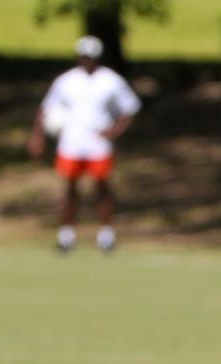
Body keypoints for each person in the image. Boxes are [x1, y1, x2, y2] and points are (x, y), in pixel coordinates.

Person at [27, 35, 140, 254]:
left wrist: (114, 131)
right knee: (70, 189)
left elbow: (130, 108)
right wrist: (37, 136)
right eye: (84, 56)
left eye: (91, 56)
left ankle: (106, 236)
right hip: (71, 143)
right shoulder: (66, 80)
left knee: (102, 188)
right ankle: (66, 236)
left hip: (98, 145)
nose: (87, 60)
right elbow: (46, 108)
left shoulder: (111, 80)